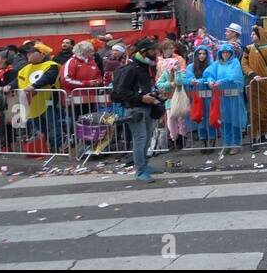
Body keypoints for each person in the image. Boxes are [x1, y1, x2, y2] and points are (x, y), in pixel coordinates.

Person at [113, 39, 163, 182]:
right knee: (140, 139)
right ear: (144, 51)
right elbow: (121, 92)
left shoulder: (148, 66)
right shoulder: (131, 68)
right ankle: (140, 171)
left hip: (147, 107)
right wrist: (141, 98)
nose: (156, 53)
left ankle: (144, 165)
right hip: (134, 109)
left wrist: (155, 95)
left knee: (147, 138)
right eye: (153, 50)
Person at [15, 42, 64, 152]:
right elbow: (19, 79)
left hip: (48, 100)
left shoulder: (51, 65)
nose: (28, 55)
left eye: (31, 53)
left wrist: (34, 86)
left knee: (52, 125)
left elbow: (48, 77)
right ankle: (46, 145)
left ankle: (56, 147)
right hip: (33, 102)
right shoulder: (26, 68)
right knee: (40, 126)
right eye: (28, 53)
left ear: (41, 54)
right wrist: (9, 86)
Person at [203, 43, 247, 153]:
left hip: (234, 96)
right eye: (223, 52)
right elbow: (209, 73)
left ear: (231, 53)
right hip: (221, 96)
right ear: (220, 53)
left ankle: (236, 144)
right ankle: (226, 143)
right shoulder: (217, 64)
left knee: (235, 120)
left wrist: (221, 81)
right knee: (224, 120)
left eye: (227, 52)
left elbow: (235, 76)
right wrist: (210, 81)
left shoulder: (235, 62)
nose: (225, 54)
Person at [242, 26, 267, 150]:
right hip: (252, 83)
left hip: (266, 84)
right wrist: (252, 74)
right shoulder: (248, 49)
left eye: (254, 34)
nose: (251, 36)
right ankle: (253, 138)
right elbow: (244, 64)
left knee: (265, 110)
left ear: (260, 35)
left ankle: (263, 135)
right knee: (253, 112)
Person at [155, 40, 188, 150]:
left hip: (177, 91)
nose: (170, 50)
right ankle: (173, 138)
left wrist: (177, 73)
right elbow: (158, 76)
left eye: (171, 48)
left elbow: (183, 73)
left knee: (179, 115)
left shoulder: (179, 59)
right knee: (169, 117)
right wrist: (162, 87)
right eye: (167, 48)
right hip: (166, 91)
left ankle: (181, 137)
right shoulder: (159, 61)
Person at [184, 45, 218, 150]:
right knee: (200, 118)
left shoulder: (212, 65)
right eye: (199, 53)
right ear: (196, 55)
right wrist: (191, 81)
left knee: (211, 117)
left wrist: (202, 81)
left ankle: (212, 139)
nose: (202, 56)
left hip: (209, 95)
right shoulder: (191, 66)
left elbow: (212, 77)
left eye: (204, 53)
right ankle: (203, 140)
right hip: (197, 96)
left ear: (207, 54)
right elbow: (186, 79)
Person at [60, 41, 103, 118]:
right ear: (83, 52)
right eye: (91, 51)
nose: (93, 53)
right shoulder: (71, 62)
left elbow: (99, 75)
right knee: (77, 122)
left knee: (91, 121)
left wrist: (98, 81)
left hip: (91, 98)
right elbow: (66, 80)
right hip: (75, 99)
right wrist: (88, 83)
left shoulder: (92, 62)